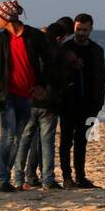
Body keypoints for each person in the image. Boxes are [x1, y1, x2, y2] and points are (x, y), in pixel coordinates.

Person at [0, 0, 49, 194]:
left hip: (27, 95)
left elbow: (49, 61)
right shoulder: (0, 39)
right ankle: (1, 179)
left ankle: (6, 177)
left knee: (17, 138)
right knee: (8, 135)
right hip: (7, 95)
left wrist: (42, 85)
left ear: (6, 16)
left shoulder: (34, 36)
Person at [18, 17, 71, 190]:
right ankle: (48, 179)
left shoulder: (34, 48)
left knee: (25, 141)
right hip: (49, 102)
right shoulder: (59, 52)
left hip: (31, 99)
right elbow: (61, 78)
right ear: (59, 38)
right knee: (47, 143)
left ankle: (19, 178)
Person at [58, 13, 105, 189]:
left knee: (82, 141)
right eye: (78, 29)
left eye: (85, 30)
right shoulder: (65, 48)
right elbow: (57, 74)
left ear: (91, 29)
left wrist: (99, 102)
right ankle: (66, 177)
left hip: (89, 103)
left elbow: (101, 78)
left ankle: (81, 176)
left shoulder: (96, 50)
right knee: (66, 141)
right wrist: (71, 65)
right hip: (68, 103)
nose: (81, 33)